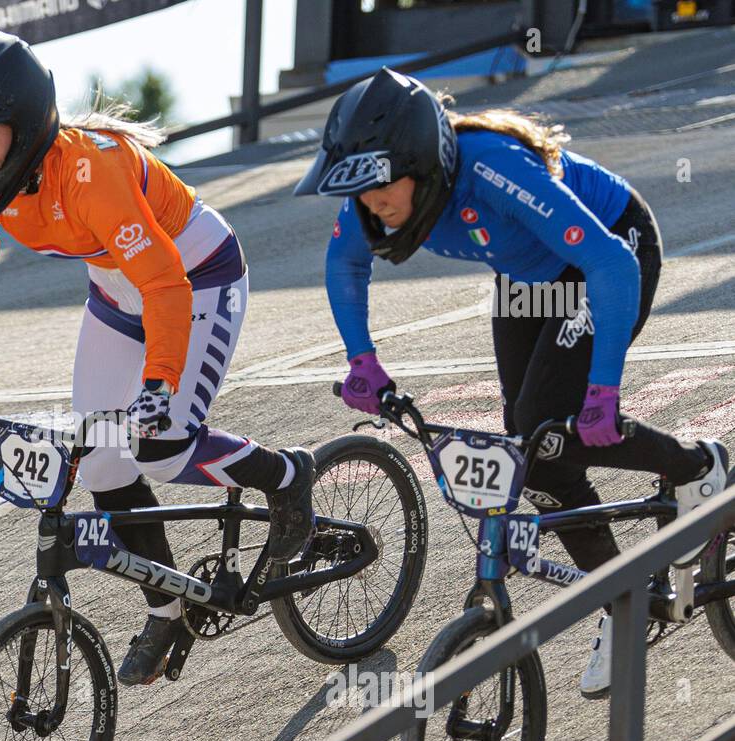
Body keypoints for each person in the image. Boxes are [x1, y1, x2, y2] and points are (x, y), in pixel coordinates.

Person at [0, 30, 316, 686]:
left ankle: (286, 477)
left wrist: (159, 381)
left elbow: (165, 283)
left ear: (27, 128)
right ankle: (167, 607)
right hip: (118, 299)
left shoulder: (93, 173)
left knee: (163, 446)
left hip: (196, 280)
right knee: (100, 458)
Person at [295, 67, 728, 698]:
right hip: (527, 278)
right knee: (532, 446)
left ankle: (697, 468)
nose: (371, 203)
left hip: (608, 254)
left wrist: (604, 389)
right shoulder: (379, 194)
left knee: (551, 424)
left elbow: (610, 260)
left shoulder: (494, 166)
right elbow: (344, 263)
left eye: (381, 186)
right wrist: (362, 361)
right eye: (359, 191)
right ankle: (623, 598)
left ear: (425, 162)